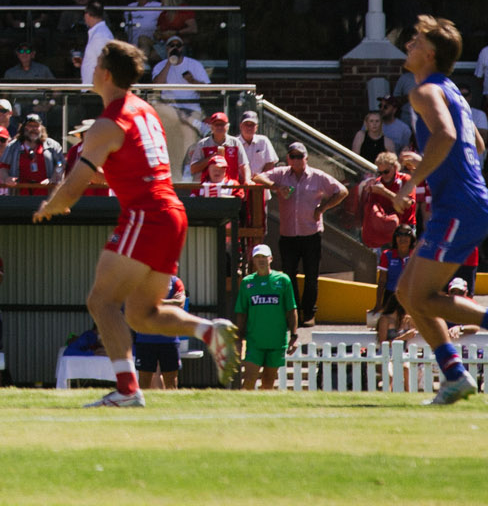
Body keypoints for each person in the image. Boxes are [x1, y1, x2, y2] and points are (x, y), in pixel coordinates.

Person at [31, 39, 244, 407]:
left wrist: (49, 205)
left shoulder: (107, 123)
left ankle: (128, 391)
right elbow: (125, 169)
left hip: (146, 215)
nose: (91, 67)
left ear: (106, 73)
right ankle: (208, 330)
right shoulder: (144, 110)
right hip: (171, 213)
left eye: (96, 62)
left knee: (101, 302)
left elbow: (73, 189)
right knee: (141, 314)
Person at [393, 15, 488, 404]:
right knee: (408, 293)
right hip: (464, 203)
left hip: (459, 206)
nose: (408, 46)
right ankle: (456, 376)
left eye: (415, 42)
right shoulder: (452, 91)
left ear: (429, 53)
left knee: (422, 296)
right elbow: (475, 142)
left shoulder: (424, 92)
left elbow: (445, 136)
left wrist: (412, 182)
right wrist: (441, 168)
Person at [270, 142, 347, 325]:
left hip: (311, 233)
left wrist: (323, 208)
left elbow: (342, 191)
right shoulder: (281, 174)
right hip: (288, 233)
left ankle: (309, 312)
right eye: (293, 156)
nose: (296, 160)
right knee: (288, 275)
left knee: (312, 274)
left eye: (300, 156)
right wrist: (276, 187)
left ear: (306, 158)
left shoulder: (318, 176)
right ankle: (293, 312)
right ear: (288, 158)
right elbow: (258, 177)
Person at [233, 243, 299, 390]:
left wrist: (294, 336)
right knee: (249, 379)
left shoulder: (283, 280)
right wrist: (238, 338)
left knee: (268, 383)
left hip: (276, 341)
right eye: (257, 257)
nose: (261, 260)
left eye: (264, 256)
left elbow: (291, 309)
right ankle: (242, 410)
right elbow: (241, 312)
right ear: (253, 261)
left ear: (271, 259)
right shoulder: (247, 283)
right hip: (255, 341)